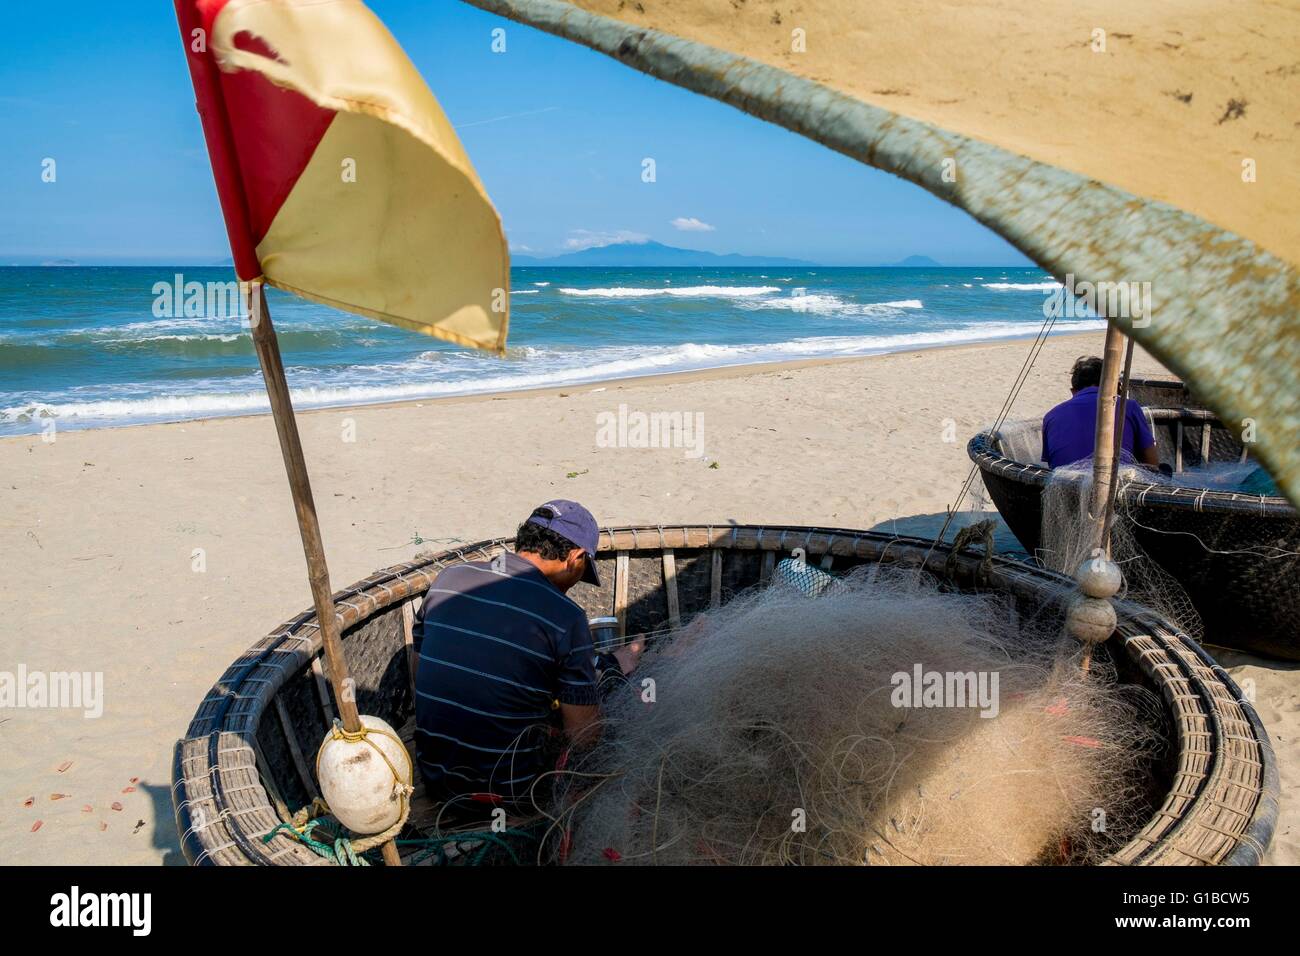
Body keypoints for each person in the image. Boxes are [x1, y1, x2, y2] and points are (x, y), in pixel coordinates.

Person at [412, 500, 641, 811]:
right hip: (511, 793)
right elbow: (584, 737)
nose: (574, 586)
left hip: (436, 778)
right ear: (574, 559)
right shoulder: (566, 617)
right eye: (582, 573)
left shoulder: (449, 579)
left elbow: (422, 669)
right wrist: (605, 678)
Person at [1041, 356, 1160, 470]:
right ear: (1115, 387)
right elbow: (1152, 462)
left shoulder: (1051, 416)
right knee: (1164, 469)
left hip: (1066, 484)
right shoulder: (1128, 406)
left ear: (1073, 391)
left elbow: (1053, 463)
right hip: (1116, 485)